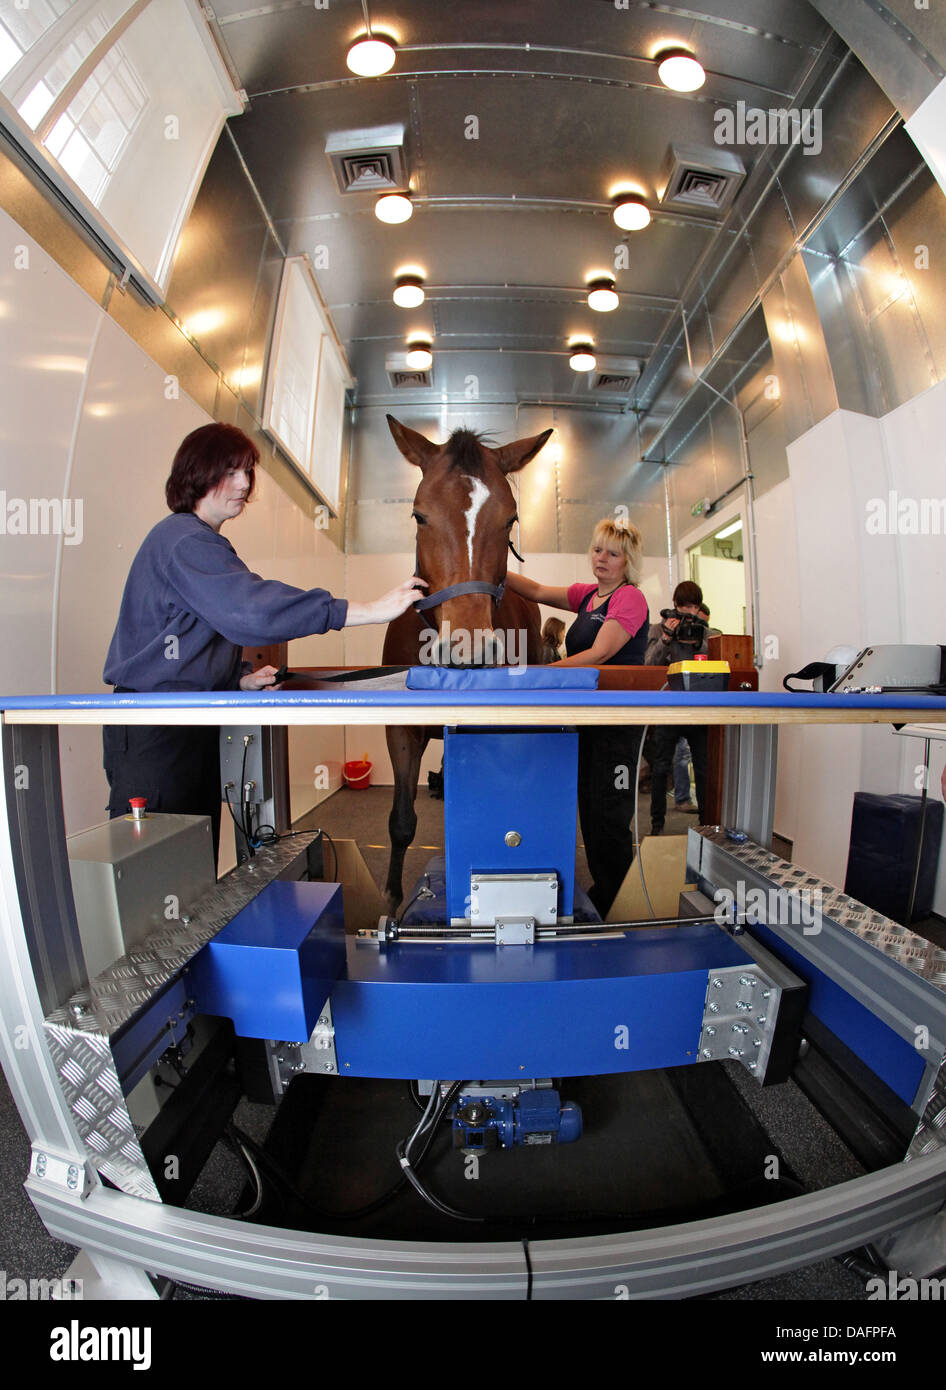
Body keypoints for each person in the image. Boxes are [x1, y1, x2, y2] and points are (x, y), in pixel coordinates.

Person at [103, 423, 425, 862]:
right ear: (197, 473)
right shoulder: (182, 539)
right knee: (157, 873)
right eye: (231, 471)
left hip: (189, 723)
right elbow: (249, 612)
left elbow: (199, 632)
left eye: (248, 472)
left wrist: (238, 679)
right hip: (155, 732)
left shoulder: (205, 544)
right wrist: (368, 610)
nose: (244, 483)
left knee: (192, 867)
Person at [505, 518, 649, 917]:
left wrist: (542, 675)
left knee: (610, 816)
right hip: (586, 720)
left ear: (627, 562)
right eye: (597, 550)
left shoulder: (629, 599)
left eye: (613, 554)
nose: (601, 559)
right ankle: (607, 892)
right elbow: (533, 589)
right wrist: (489, 566)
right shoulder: (588, 597)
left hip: (617, 723)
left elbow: (600, 653)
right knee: (588, 808)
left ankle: (624, 903)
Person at [645, 580, 709, 835]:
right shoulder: (658, 628)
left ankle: (707, 824)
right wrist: (665, 639)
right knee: (660, 768)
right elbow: (648, 665)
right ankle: (656, 824)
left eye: (693, 606)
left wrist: (699, 645)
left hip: (698, 708)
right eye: (683, 606)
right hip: (668, 707)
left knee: (704, 768)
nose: (687, 612)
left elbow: (716, 666)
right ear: (674, 605)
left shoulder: (706, 632)